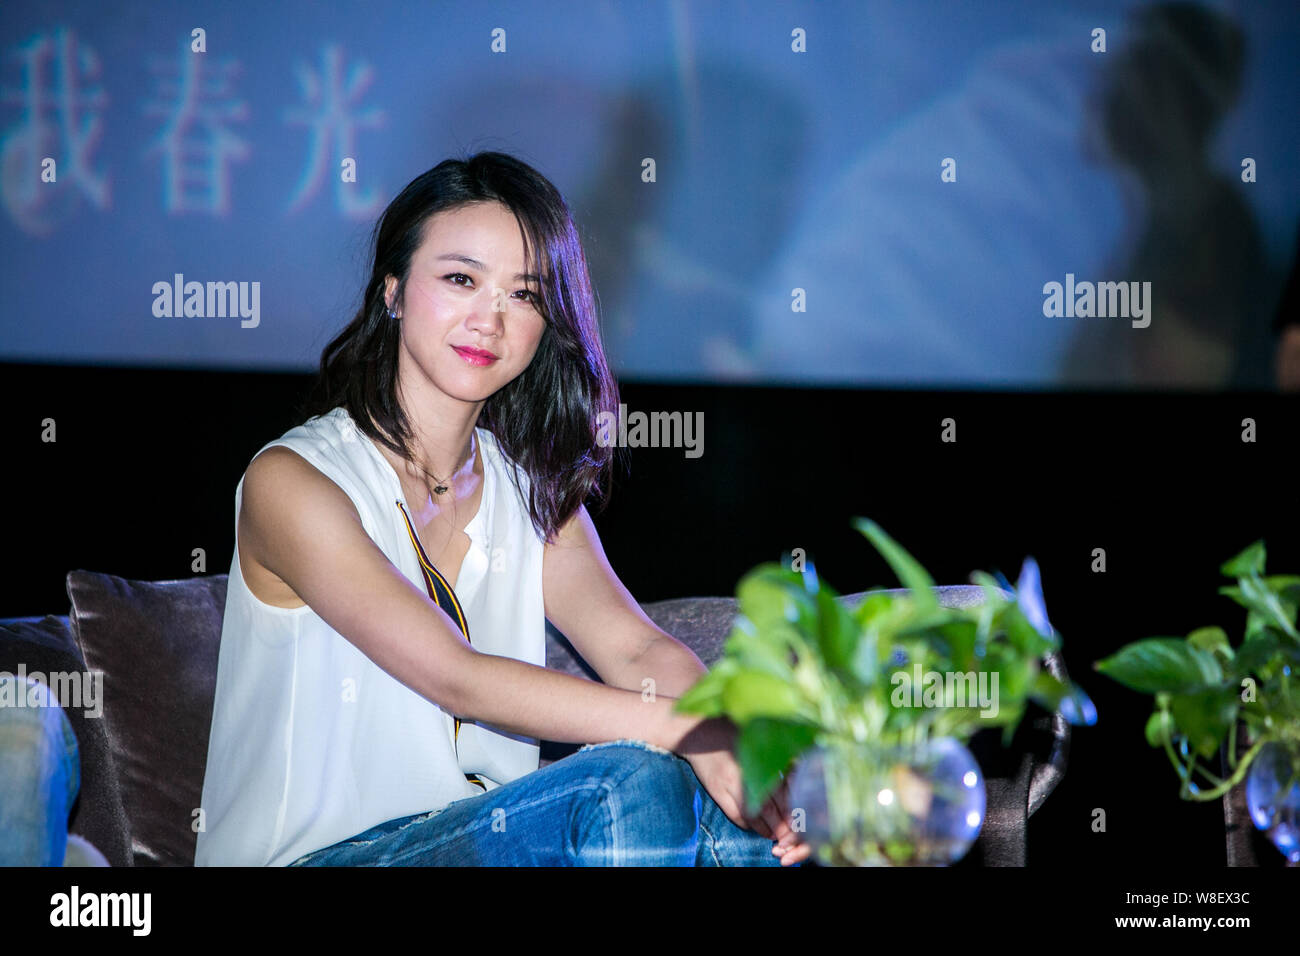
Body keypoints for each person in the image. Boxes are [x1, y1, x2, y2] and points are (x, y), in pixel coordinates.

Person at [194, 151, 810, 866]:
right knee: (631, 779)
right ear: (392, 291)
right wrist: (682, 728)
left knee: (747, 816)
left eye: (523, 295)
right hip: (311, 859)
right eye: (460, 279)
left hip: (485, 835)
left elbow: (636, 649)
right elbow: (456, 675)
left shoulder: (530, 491)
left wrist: (743, 746)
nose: (489, 319)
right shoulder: (292, 482)